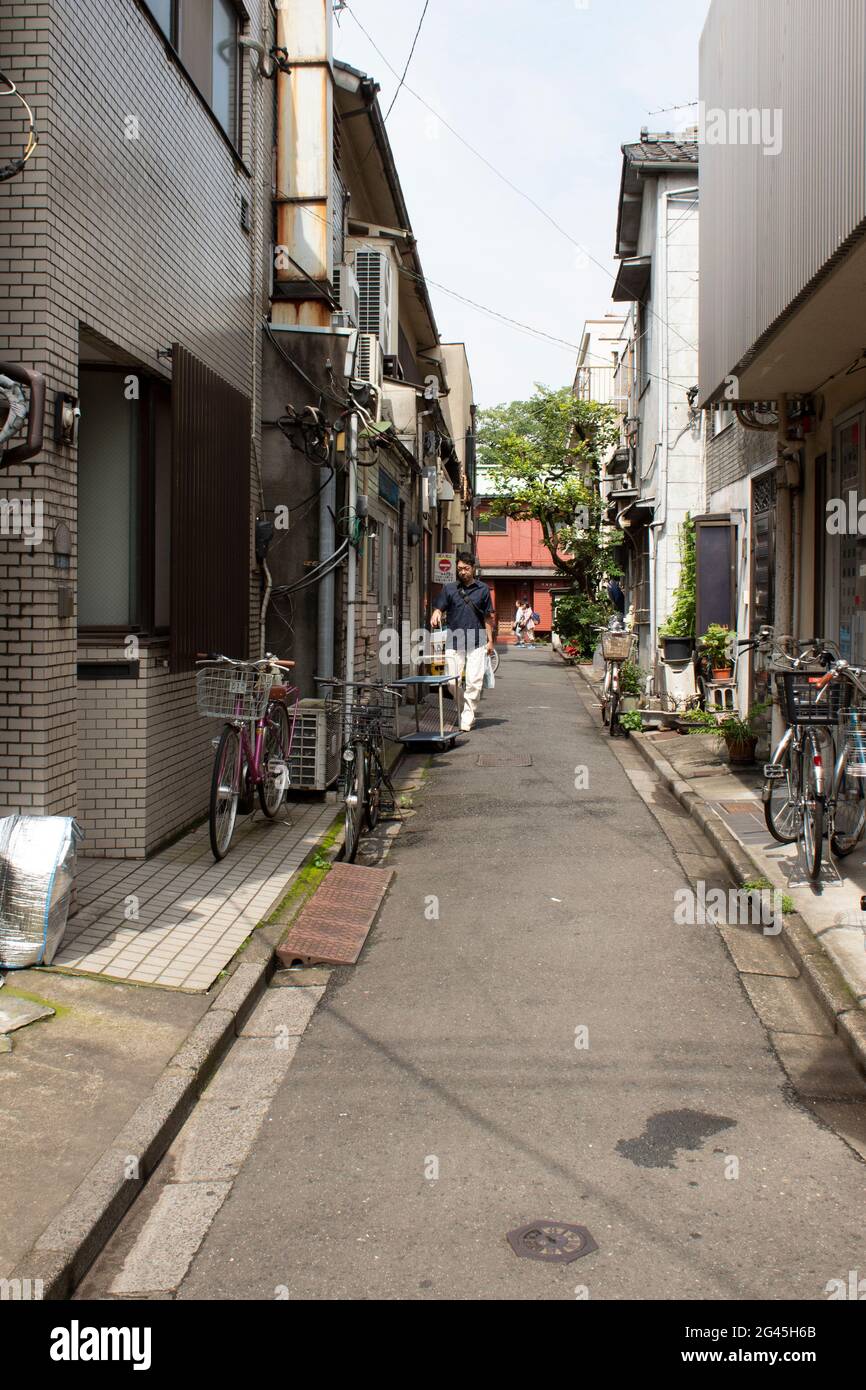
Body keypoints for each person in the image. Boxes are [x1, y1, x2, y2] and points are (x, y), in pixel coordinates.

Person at [430, 552, 494, 733]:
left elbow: (488, 617)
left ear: (473, 568)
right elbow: (439, 607)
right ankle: (466, 710)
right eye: (459, 569)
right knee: (451, 682)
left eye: (466, 568)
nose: (463, 572)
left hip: (477, 641)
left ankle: (467, 716)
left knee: (474, 682)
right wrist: (436, 613)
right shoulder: (449, 589)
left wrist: (490, 641)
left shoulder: (483, 589)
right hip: (454, 641)